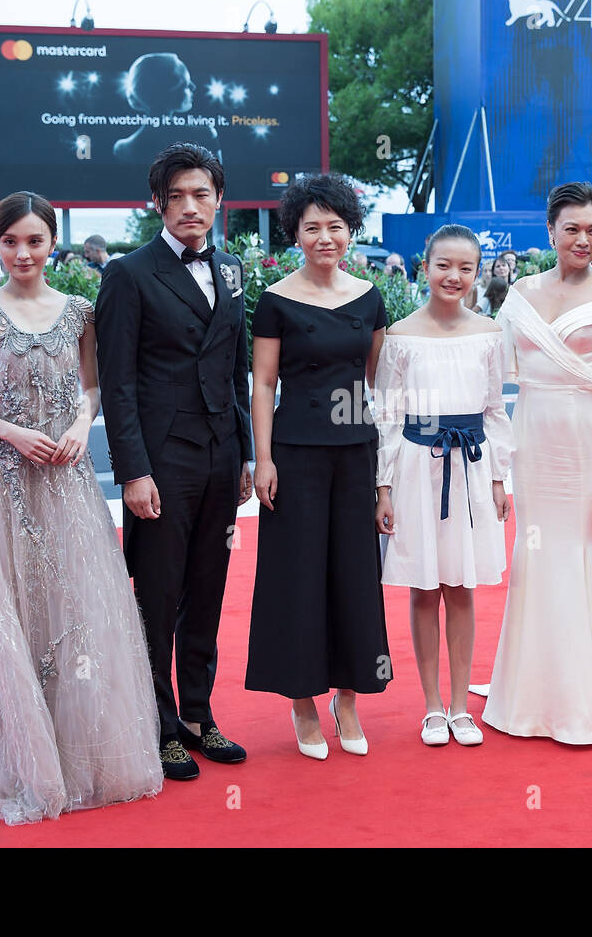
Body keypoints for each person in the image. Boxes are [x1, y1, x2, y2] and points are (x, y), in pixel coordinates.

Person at [0, 190, 162, 825]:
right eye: (11, 241)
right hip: (4, 483)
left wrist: (78, 426)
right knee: (12, 609)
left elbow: (93, 386)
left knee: (76, 607)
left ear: (53, 244)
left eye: (34, 241)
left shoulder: (79, 311)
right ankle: (25, 759)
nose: (22, 253)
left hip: (67, 479)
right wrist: (10, 433)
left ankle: (80, 751)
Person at [94, 142, 253, 782]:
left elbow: (236, 367)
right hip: (161, 462)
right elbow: (118, 382)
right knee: (157, 596)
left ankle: (198, 714)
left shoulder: (234, 268)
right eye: (179, 196)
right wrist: (133, 471)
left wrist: (243, 454)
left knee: (207, 592)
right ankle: (157, 723)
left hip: (220, 457)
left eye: (203, 195)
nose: (192, 207)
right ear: (157, 202)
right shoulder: (129, 274)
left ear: (218, 200)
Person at [481, 181, 592, 745]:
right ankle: (530, 697)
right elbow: (490, 374)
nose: (583, 239)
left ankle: (587, 701)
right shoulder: (521, 293)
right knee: (537, 561)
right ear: (550, 231)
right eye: (571, 229)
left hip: (590, 441)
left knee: (584, 557)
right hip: (533, 436)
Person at [246, 172, 391, 759]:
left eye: (335, 226)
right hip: (295, 455)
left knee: (356, 576)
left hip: (356, 454)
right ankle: (303, 702)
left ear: (350, 231)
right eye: (312, 227)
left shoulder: (370, 297)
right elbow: (262, 382)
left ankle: (348, 698)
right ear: (295, 235)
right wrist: (263, 459)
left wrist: (384, 478)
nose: (325, 237)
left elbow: (378, 386)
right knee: (297, 576)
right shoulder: (276, 300)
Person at [374, 224, 513, 746]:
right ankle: (431, 705)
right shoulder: (400, 336)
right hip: (416, 466)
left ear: (478, 273)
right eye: (443, 265)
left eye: (466, 268)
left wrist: (500, 477)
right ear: (424, 267)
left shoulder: (489, 333)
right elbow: (387, 415)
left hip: (473, 468)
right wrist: (383, 488)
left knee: (461, 586)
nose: (454, 276)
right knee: (423, 585)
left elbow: (496, 410)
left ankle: (461, 706)